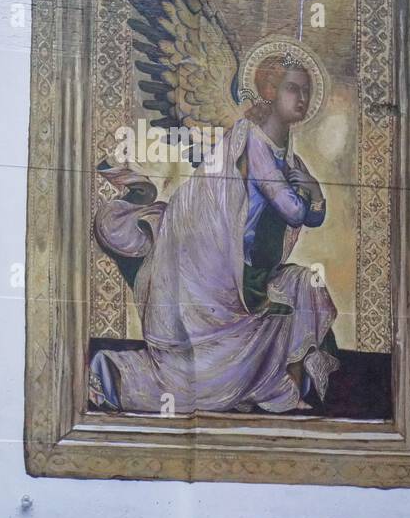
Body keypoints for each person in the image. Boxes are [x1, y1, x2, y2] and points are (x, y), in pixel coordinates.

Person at [90, 53, 339, 415]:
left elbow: (311, 217)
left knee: (306, 285)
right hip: (223, 275)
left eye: (307, 90)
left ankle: (275, 385)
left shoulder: (286, 156)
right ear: (269, 91)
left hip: (249, 269)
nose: (301, 98)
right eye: (292, 88)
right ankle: (118, 376)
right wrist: (313, 192)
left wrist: (313, 196)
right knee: (292, 295)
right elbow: (293, 209)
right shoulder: (254, 142)